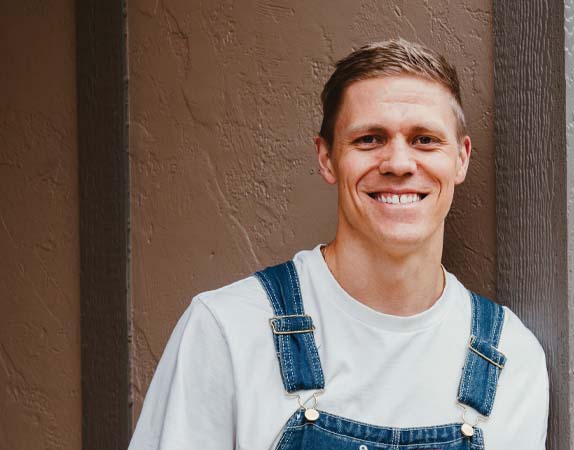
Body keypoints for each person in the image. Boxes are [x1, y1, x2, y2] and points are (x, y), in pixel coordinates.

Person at [128, 39, 549, 450]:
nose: (399, 163)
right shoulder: (228, 331)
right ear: (327, 158)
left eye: (424, 139)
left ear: (460, 158)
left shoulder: (510, 358)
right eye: (369, 139)